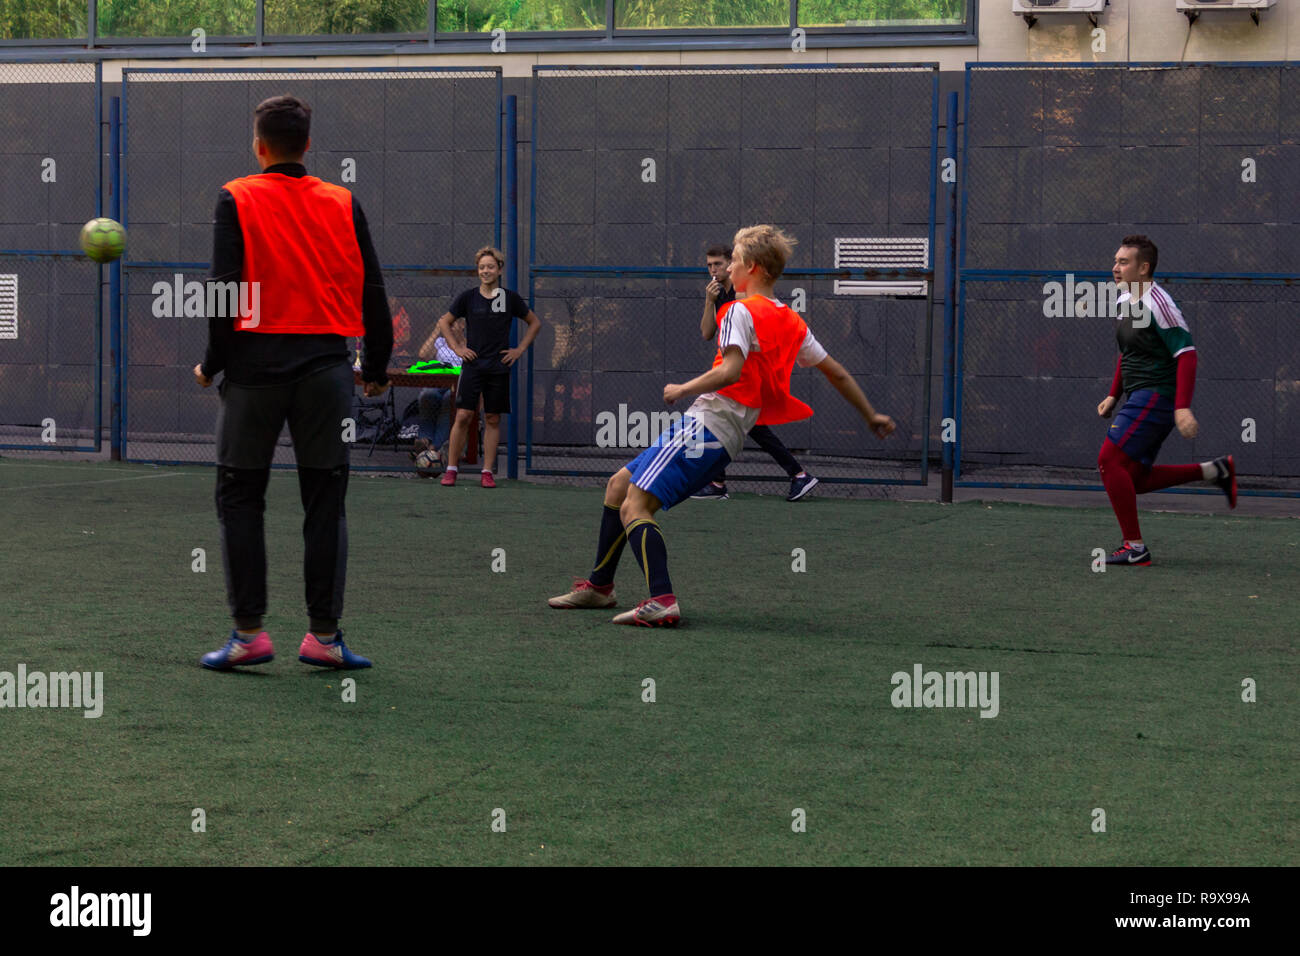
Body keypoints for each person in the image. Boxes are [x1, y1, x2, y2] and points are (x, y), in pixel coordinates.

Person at [548, 225, 895, 627]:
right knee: (618, 486)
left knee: (636, 507)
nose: (726, 266)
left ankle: (662, 600)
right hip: (722, 431)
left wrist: (682, 387)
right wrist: (870, 414)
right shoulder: (791, 321)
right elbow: (836, 374)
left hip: (707, 425)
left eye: (732, 259)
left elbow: (730, 371)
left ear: (751, 266)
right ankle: (599, 588)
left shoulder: (739, 310)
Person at [193, 94, 392, 669]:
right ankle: (324, 639)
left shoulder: (235, 196)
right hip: (326, 372)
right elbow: (372, 290)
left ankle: (249, 634)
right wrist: (376, 368)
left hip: (253, 372)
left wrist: (212, 362)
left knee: (239, 497)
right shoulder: (342, 201)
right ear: (308, 145)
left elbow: (223, 292)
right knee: (326, 501)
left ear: (259, 147)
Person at [1096, 234, 1237, 566]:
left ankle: (1135, 548)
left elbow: (1186, 354)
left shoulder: (1158, 303)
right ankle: (1214, 471)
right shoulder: (1123, 299)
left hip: (1157, 395)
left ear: (1144, 268)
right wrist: (1113, 394)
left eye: (1123, 262)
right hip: (1138, 395)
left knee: (1109, 461)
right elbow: (1128, 353)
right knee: (1134, 478)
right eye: (1115, 261)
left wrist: (1182, 406)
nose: (1115, 267)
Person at [692, 243, 819, 502]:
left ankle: (722, 482)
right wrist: (708, 301)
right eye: (709, 265)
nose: (713, 270)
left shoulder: (744, 294)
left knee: (729, 422)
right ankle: (795, 475)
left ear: (731, 264)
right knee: (747, 426)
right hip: (733, 372)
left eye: (718, 264)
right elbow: (707, 333)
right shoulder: (716, 294)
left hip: (747, 372)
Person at [436, 246, 542, 488]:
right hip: (472, 366)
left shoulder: (510, 298)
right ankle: (451, 469)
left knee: (492, 418)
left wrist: (519, 350)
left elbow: (534, 323)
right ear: (478, 270)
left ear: (500, 270)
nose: (486, 271)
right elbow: (445, 322)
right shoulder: (468, 297)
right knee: (463, 415)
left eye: (490, 267)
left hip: (498, 366)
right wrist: (457, 348)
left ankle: (487, 472)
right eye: (482, 267)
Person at [411, 316, 466, 472]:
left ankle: (433, 448)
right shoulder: (440, 342)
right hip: (437, 384)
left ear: (462, 325)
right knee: (426, 395)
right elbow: (423, 355)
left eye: (453, 323)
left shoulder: (467, 344)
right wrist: (437, 330)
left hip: (457, 387)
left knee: (450, 399)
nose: (450, 326)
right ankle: (424, 440)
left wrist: (460, 339)